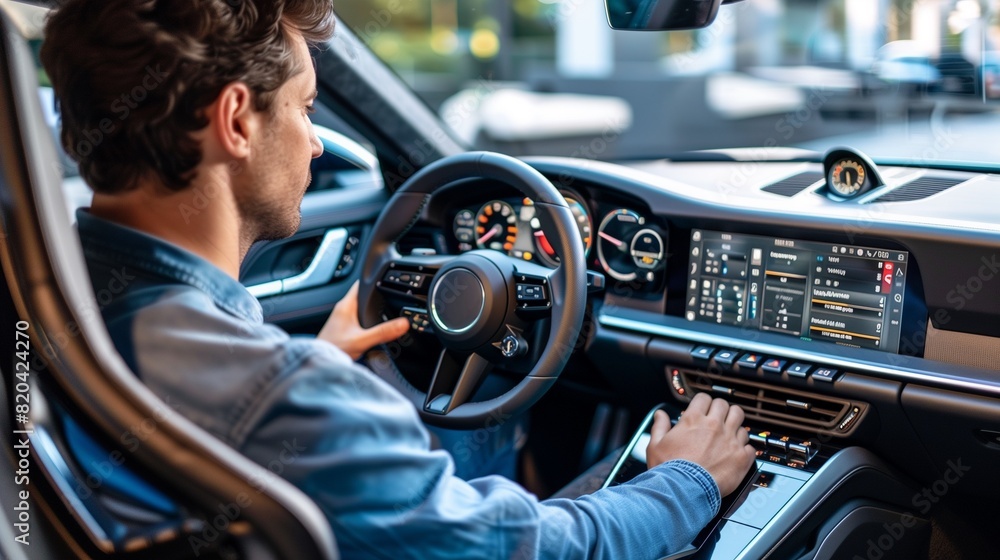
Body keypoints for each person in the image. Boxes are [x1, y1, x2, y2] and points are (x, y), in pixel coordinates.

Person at [40, 0, 756, 557]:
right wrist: (685, 478)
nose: (316, 142)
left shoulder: (47, 300)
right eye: (306, 108)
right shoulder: (287, 396)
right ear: (236, 119)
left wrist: (315, 366)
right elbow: (529, 549)